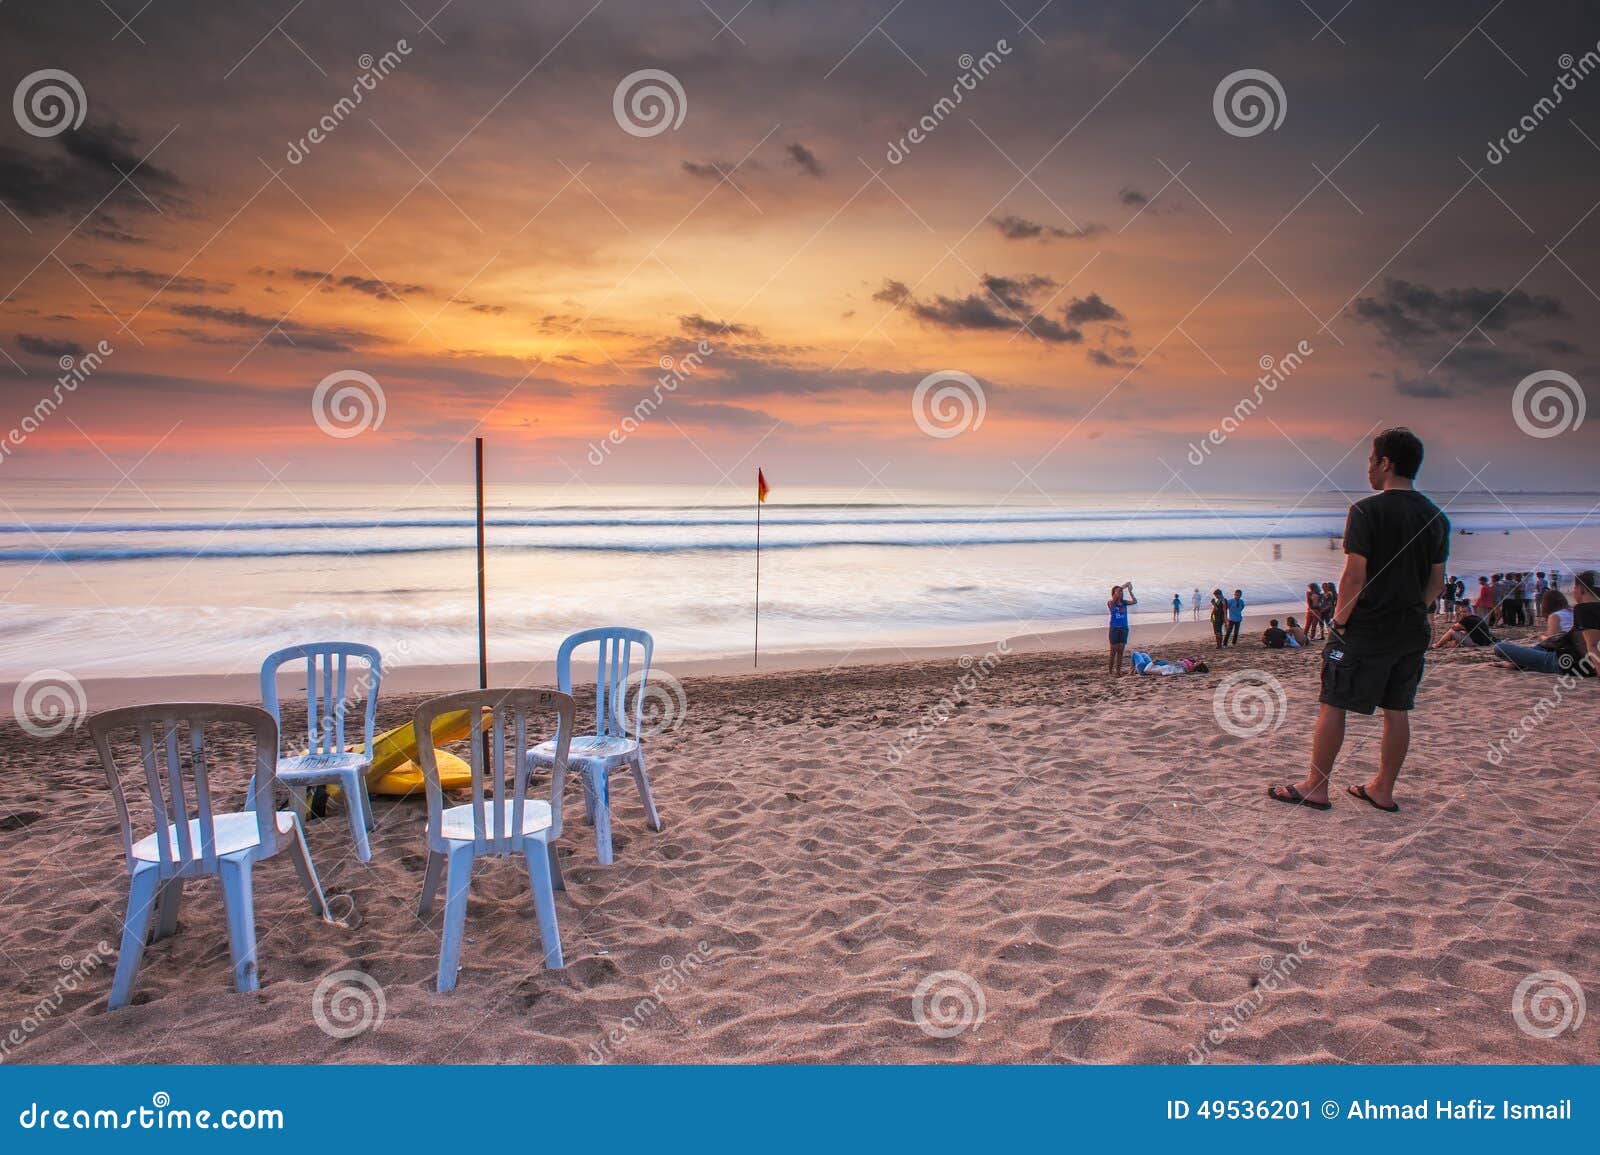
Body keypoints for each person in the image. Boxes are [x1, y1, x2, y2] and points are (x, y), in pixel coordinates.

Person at [1269, 428, 1447, 815]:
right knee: (1397, 709)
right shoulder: (1435, 516)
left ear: (1385, 463)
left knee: (1333, 702)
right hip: (1411, 627)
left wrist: (1341, 621)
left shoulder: (1367, 511)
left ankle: (1316, 786)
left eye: (1371, 460)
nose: (1368, 468)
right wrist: (1411, 608)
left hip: (1367, 626)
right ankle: (1382, 789)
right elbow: (1437, 583)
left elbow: (1354, 575)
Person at [1491, 576, 1595, 673]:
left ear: (1581, 589)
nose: (1573, 591)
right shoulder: (1577, 611)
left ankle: (1514, 664)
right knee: (1537, 649)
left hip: (1562, 661)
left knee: (1500, 647)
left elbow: (1554, 641)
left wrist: (1542, 636)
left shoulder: (1577, 611)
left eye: (1574, 588)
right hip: (1573, 660)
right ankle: (1516, 663)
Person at [1107, 582, 1137, 676]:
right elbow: (1115, 596)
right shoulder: (1111, 603)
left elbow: (1135, 601)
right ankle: (1110, 672)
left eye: (1121, 592)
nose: (1120, 593)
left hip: (1124, 629)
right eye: (1118, 592)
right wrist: (1124, 586)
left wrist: (1130, 591)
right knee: (1113, 651)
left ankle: (1118, 672)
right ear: (1114, 593)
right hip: (1114, 629)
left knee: (1120, 651)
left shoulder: (1124, 603)